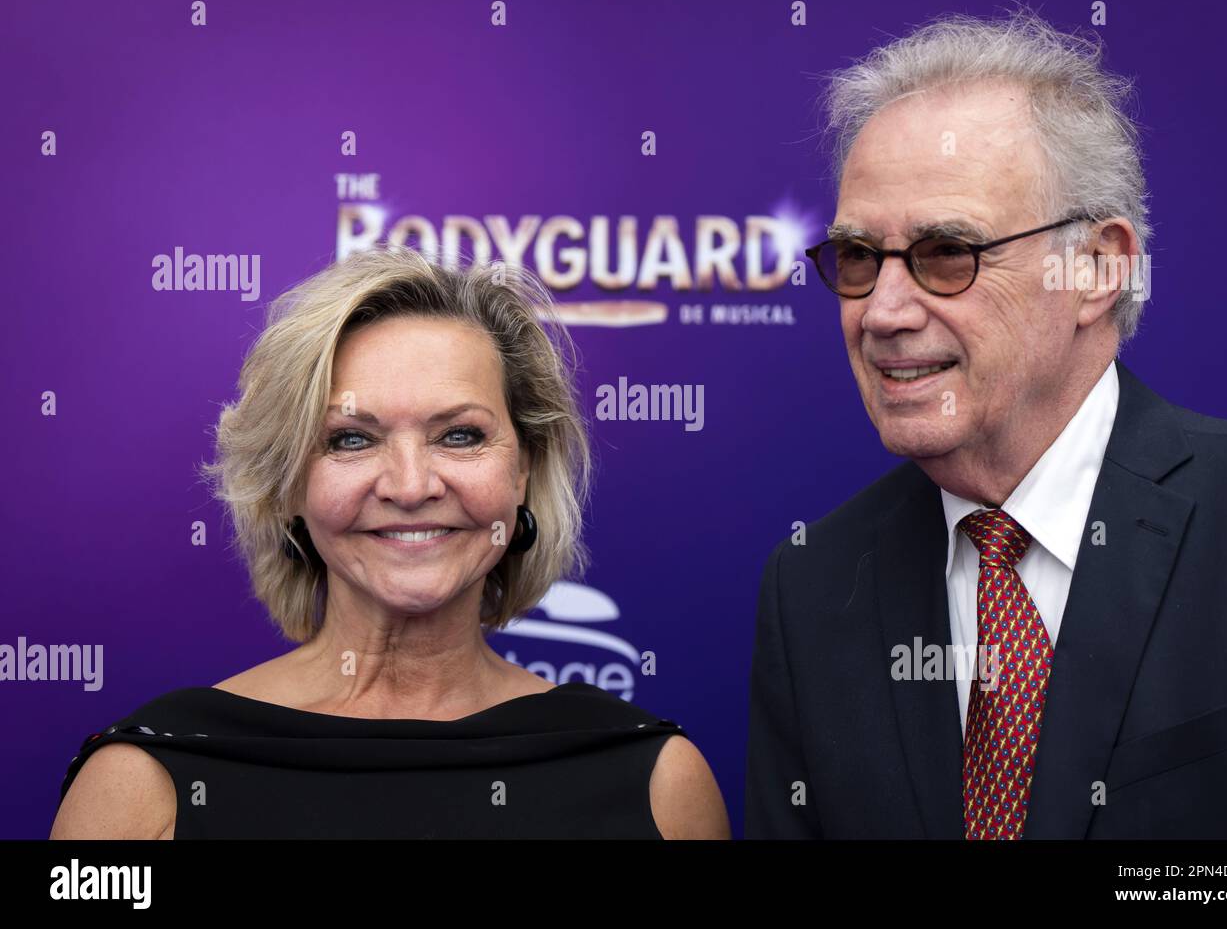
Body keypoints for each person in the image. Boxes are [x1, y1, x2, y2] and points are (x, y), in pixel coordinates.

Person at [746, 10, 1227, 839]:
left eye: (946, 253)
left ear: (1098, 267)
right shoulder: (814, 585)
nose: (884, 311)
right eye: (859, 258)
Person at [52, 246, 729, 839]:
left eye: (459, 434)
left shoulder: (655, 782)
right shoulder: (146, 784)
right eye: (351, 439)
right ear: (288, 484)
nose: (409, 486)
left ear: (523, 468)